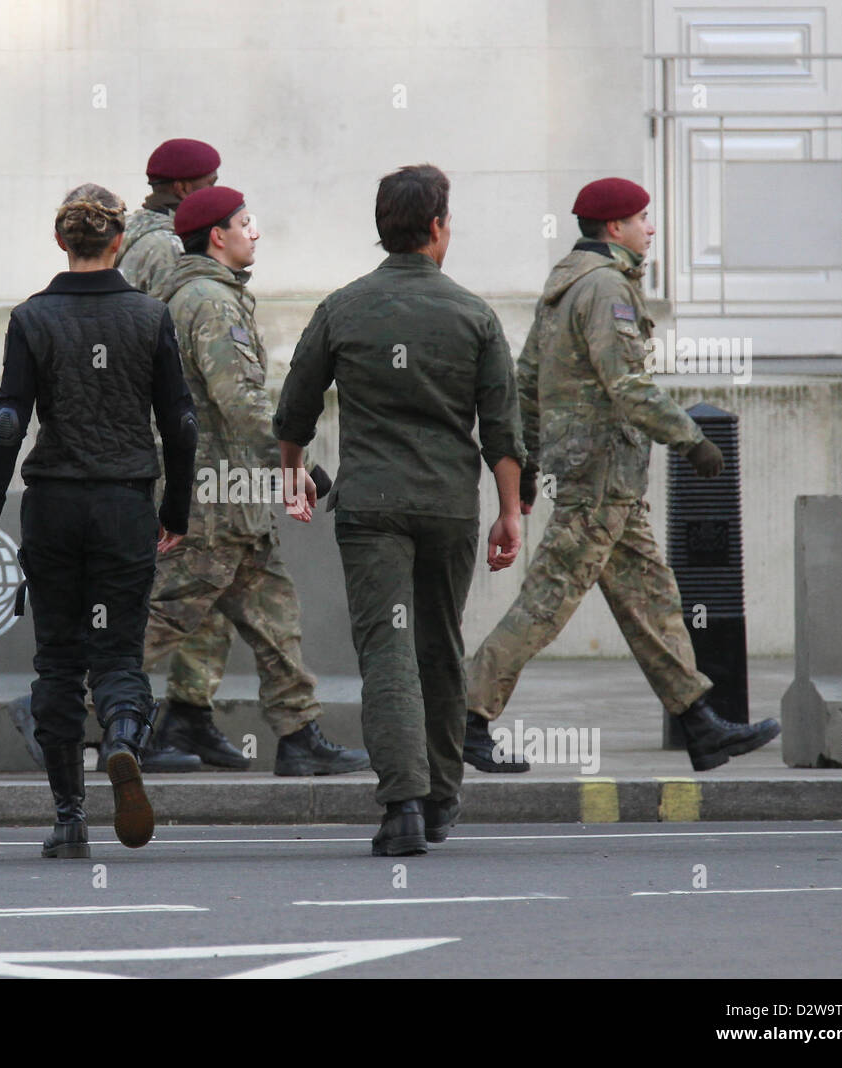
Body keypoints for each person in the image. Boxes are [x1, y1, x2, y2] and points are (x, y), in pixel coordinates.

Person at [462, 176, 779, 773]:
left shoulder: (563, 287)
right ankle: (468, 714)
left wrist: (528, 464)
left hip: (604, 478)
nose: (651, 228)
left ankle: (699, 723)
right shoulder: (607, 287)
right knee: (546, 602)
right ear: (615, 229)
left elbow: (526, 379)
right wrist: (692, 441)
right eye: (643, 218)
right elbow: (628, 385)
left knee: (652, 599)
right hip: (602, 476)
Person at [274, 164, 526, 856]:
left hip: (372, 508)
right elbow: (503, 430)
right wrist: (511, 513)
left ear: (383, 229)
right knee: (440, 647)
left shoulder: (342, 308)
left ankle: (404, 805)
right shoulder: (474, 314)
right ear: (439, 226)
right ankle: (443, 800)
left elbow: (293, 411)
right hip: (448, 507)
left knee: (388, 650)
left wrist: (294, 476)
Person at [0, 183, 198, 858]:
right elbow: (180, 423)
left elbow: (8, 423)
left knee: (59, 662)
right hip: (124, 503)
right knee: (118, 652)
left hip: (55, 507)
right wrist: (174, 510)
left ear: (61, 242)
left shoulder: (32, 318)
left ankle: (69, 819)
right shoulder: (149, 316)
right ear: (119, 240)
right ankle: (123, 737)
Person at [145, 185, 368, 777]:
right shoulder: (208, 302)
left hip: (231, 500)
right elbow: (242, 403)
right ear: (218, 235)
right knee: (165, 616)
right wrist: (297, 466)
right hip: (212, 502)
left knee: (275, 618)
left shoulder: (199, 296)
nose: (256, 232)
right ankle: (57, 703)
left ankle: (299, 736)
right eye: (246, 222)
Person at [114, 138, 238, 769]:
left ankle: (189, 715)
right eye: (212, 184)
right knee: (184, 580)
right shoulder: (167, 248)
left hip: (168, 433)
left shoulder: (139, 239)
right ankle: (87, 703)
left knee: (206, 579)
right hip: (179, 436)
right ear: (189, 191)